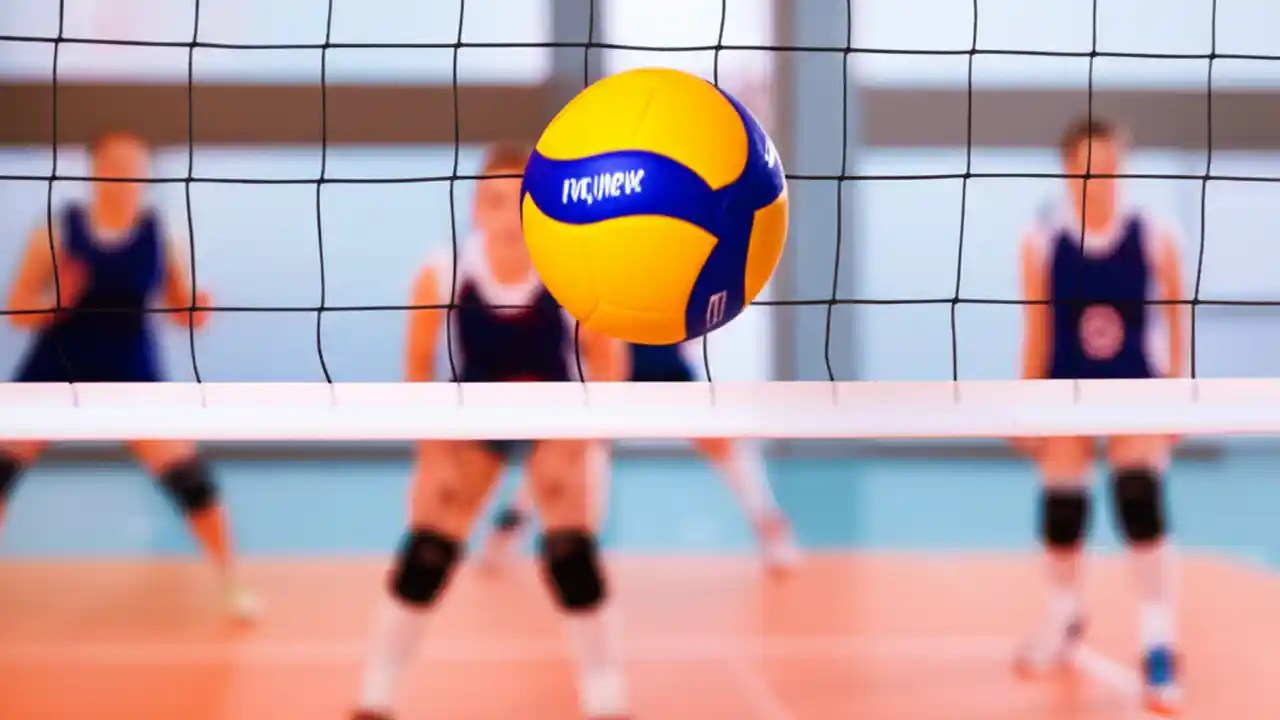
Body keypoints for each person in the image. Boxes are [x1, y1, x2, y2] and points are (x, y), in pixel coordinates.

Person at [352, 142, 630, 720]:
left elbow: (609, 359)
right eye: (495, 200)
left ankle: (606, 695)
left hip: (556, 410)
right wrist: (432, 446)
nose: (508, 214)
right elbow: (417, 365)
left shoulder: (571, 265)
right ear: (477, 208)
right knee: (430, 542)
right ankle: (377, 692)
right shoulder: (445, 268)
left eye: (521, 200)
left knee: (569, 549)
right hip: (474, 410)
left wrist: (586, 439)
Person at [0, 130, 258, 621]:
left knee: (191, 481)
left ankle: (233, 584)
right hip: (57, 367)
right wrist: (57, 301)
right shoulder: (57, 231)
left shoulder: (161, 233)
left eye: (135, 165)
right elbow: (16, 311)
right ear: (95, 170)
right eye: (115, 163)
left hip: (130, 369)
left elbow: (178, 309)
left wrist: (196, 312)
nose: (126, 174)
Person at [1014, 118, 1184, 716]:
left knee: (1139, 502)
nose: (1102, 180)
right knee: (1063, 510)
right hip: (1067, 389)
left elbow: (1175, 323)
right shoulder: (1042, 240)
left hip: (1136, 387)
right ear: (1068, 171)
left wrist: (1179, 395)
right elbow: (1035, 333)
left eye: (1112, 166)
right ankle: (1063, 617)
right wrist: (1026, 403)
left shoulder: (1153, 234)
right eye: (1090, 167)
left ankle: (1159, 644)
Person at [482, 341, 800, 571]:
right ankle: (515, 525)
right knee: (567, 442)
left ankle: (768, 524)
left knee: (719, 439)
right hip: (607, 358)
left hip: (661, 357)